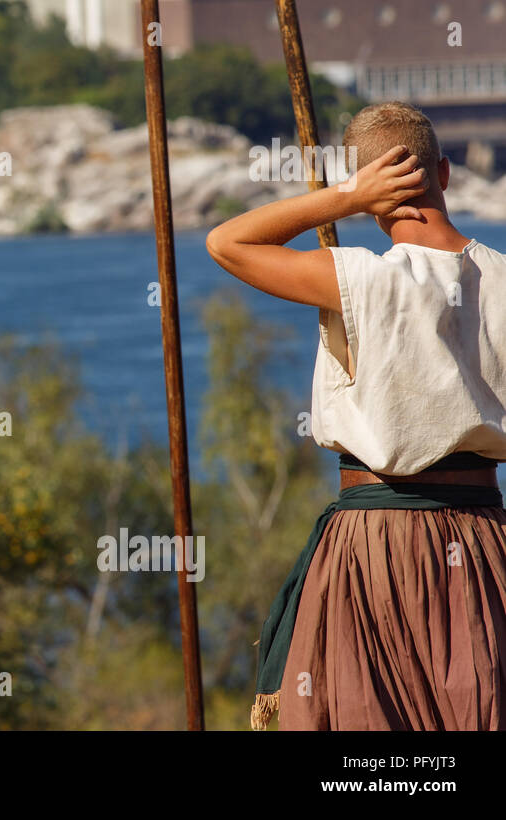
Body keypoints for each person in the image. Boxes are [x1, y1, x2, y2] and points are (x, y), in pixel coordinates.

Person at [206, 101, 506, 730]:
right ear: (445, 175)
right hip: (482, 545)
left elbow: (226, 242)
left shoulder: (356, 279)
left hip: (372, 545)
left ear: (373, 194)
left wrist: (343, 196)